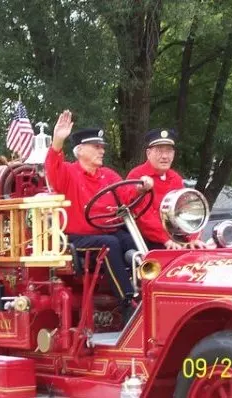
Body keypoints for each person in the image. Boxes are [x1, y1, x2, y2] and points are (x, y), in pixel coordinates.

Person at [44, 110, 153, 320]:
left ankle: (151, 290)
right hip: (76, 238)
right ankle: (127, 302)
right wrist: (58, 140)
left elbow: (127, 194)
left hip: (108, 231)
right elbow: (52, 167)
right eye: (96, 146)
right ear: (80, 150)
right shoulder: (68, 172)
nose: (101, 150)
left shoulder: (109, 175)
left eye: (102, 147)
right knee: (109, 243)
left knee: (133, 240)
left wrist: (142, 187)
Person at [127, 128, 206, 250]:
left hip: (174, 237)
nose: (165, 156)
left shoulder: (175, 178)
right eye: (159, 151)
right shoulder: (136, 176)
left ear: (174, 154)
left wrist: (193, 238)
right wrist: (166, 240)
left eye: (169, 151)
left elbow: (186, 212)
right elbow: (143, 217)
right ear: (148, 153)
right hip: (150, 240)